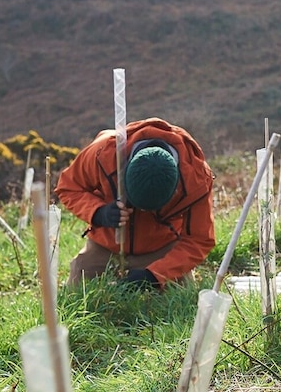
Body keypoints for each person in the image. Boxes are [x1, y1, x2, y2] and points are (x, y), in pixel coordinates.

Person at [55, 117, 216, 290]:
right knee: (76, 291)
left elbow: (199, 239)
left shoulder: (197, 179)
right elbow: (68, 187)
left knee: (182, 299)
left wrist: (155, 275)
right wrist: (98, 212)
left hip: (162, 248)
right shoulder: (102, 153)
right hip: (106, 245)